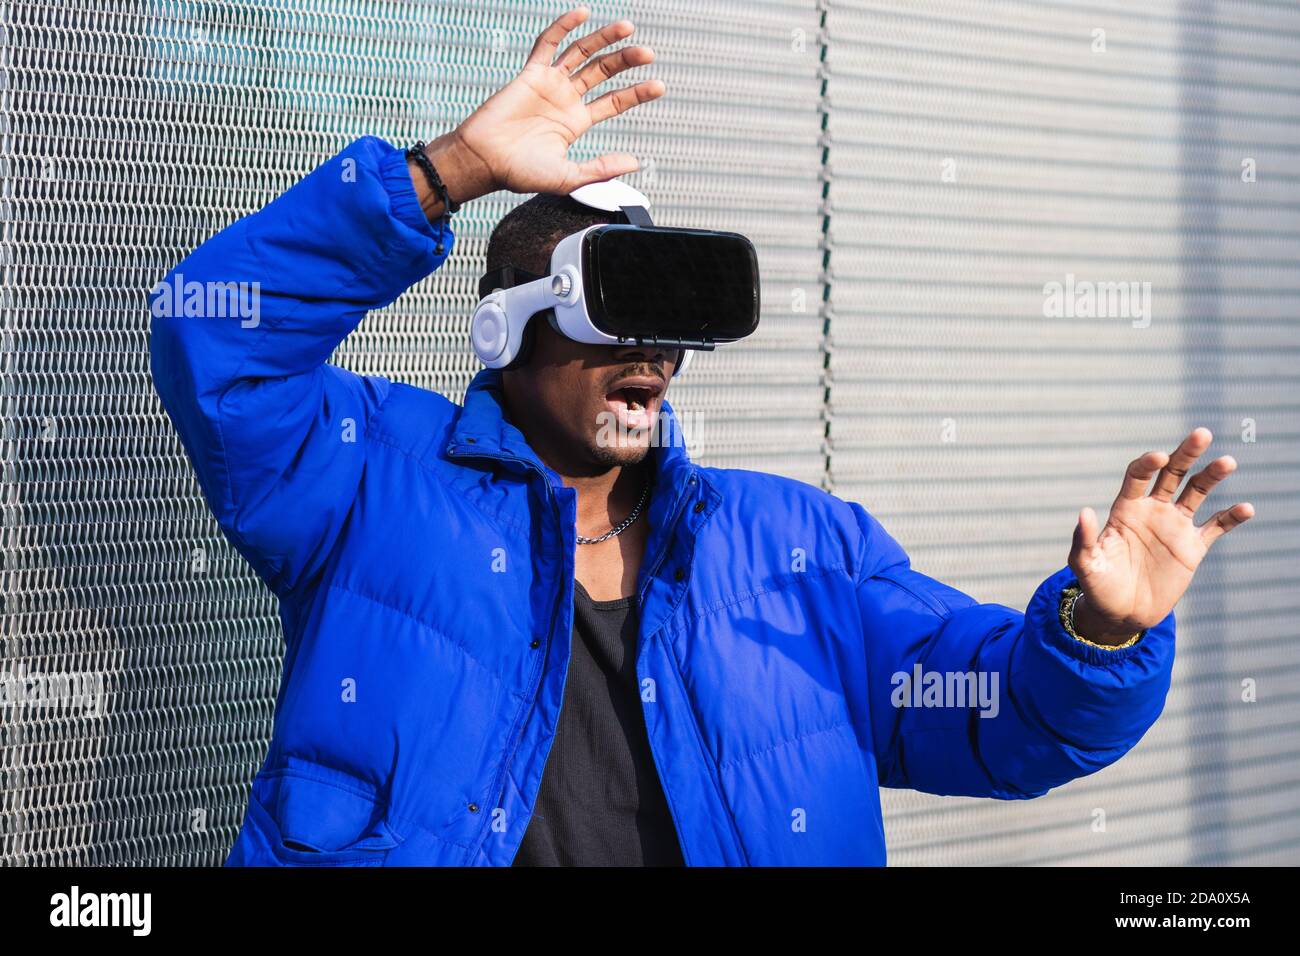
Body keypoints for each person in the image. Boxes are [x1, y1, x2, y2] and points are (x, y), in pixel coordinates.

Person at [149, 7, 1254, 867]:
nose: (653, 357)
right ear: (504, 334)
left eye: (673, 332)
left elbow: (1006, 719)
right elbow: (214, 332)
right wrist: (450, 172)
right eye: (613, 320)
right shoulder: (369, 480)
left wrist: (1093, 634)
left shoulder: (800, 547)